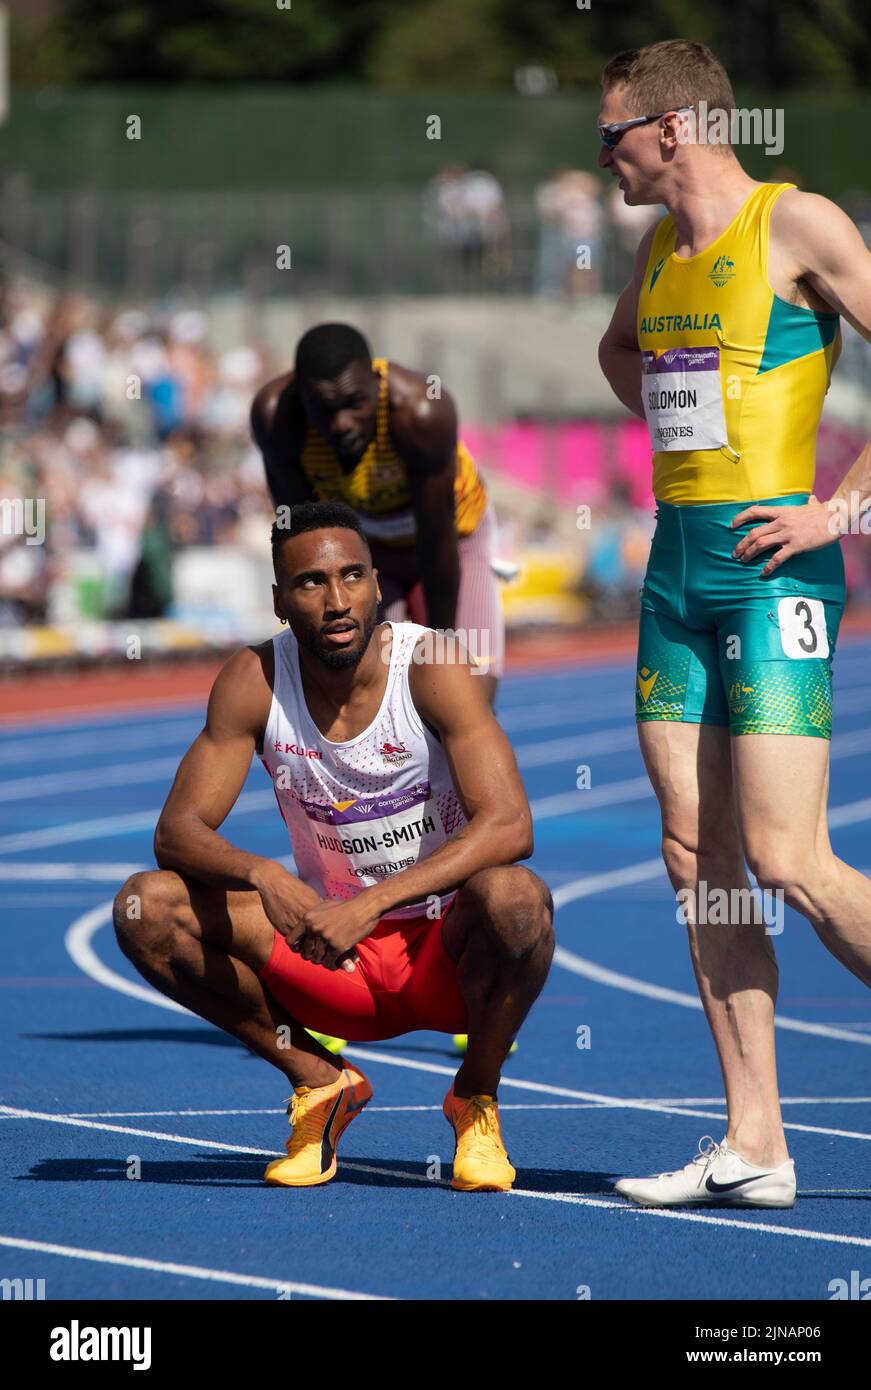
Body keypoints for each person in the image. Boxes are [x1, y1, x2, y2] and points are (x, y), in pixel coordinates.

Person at [597, 39, 871, 1207]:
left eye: (608, 134)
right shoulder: (660, 249)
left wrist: (838, 510)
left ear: (670, 131)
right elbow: (620, 353)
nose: (599, 156)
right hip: (676, 575)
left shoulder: (795, 224)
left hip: (773, 578)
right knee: (695, 859)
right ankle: (753, 1139)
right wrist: (684, 439)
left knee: (788, 858)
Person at [113, 500, 554, 1191]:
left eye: (352, 577)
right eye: (312, 584)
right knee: (145, 908)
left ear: (378, 583)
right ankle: (319, 1080)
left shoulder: (430, 664)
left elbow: (509, 825)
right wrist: (266, 876)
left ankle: (475, 1097)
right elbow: (177, 832)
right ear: (280, 600)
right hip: (329, 958)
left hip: (442, 958)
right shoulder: (254, 680)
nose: (337, 599)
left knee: (517, 900)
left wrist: (372, 903)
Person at [250, 322, 505, 705]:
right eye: (325, 410)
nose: (342, 424)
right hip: (373, 550)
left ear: (376, 382)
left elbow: (437, 543)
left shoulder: (421, 412)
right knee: (379, 689)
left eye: (354, 404)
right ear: (302, 400)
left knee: (465, 688)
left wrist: (443, 647)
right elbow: (303, 538)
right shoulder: (277, 418)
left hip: (453, 541)